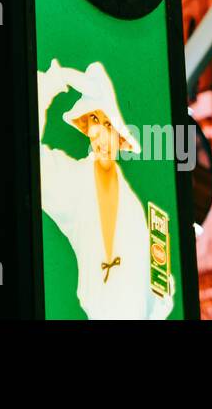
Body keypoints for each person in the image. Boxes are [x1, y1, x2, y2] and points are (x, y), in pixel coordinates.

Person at [38, 59, 175, 319]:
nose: (100, 136)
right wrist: (50, 85)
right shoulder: (76, 180)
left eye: (107, 125)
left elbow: (156, 287)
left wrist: (162, 289)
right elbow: (30, 161)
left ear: (119, 133)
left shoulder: (133, 205)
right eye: (93, 124)